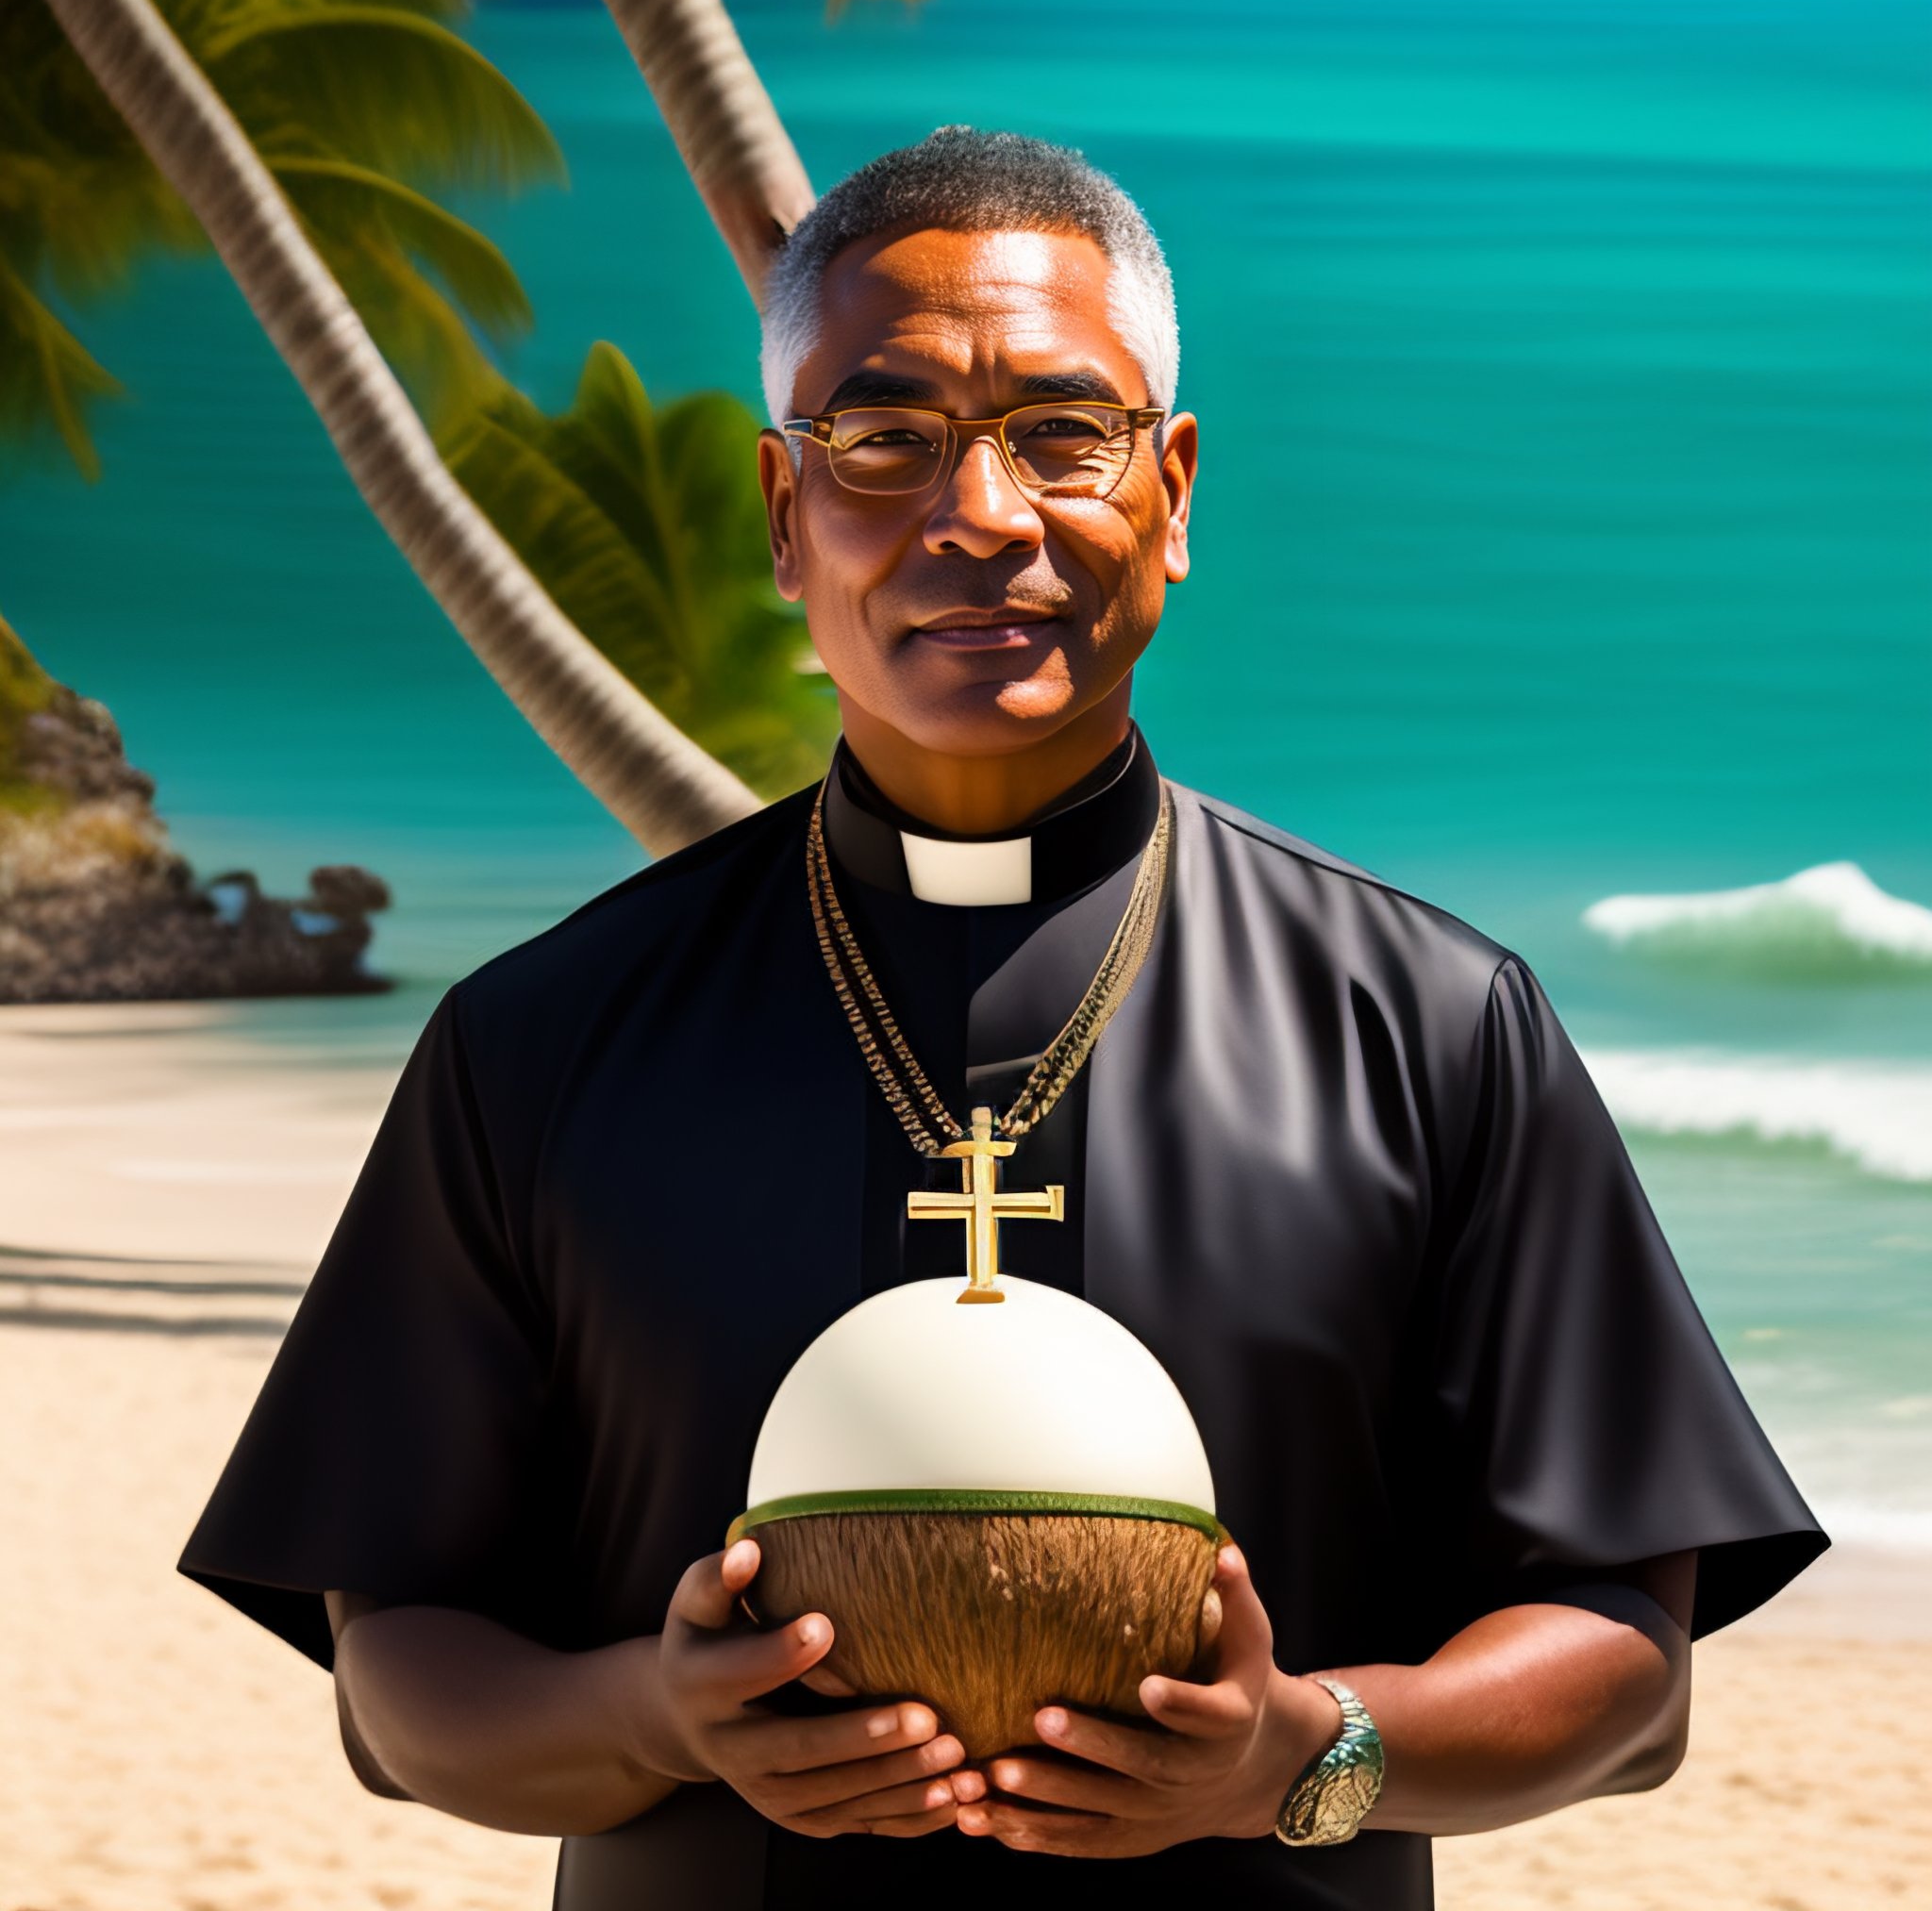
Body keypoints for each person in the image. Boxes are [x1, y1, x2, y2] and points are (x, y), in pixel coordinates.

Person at [182, 127, 1823, 1907]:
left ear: (1171, 494)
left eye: (1062, 434)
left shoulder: (1429, 1025)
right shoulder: (542, 1041)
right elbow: (397, 1678)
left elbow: (1628, 1659)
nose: (982, 516)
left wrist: (1298, 1750)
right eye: (885, 441)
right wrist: (659, 1715)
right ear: (785, 514)